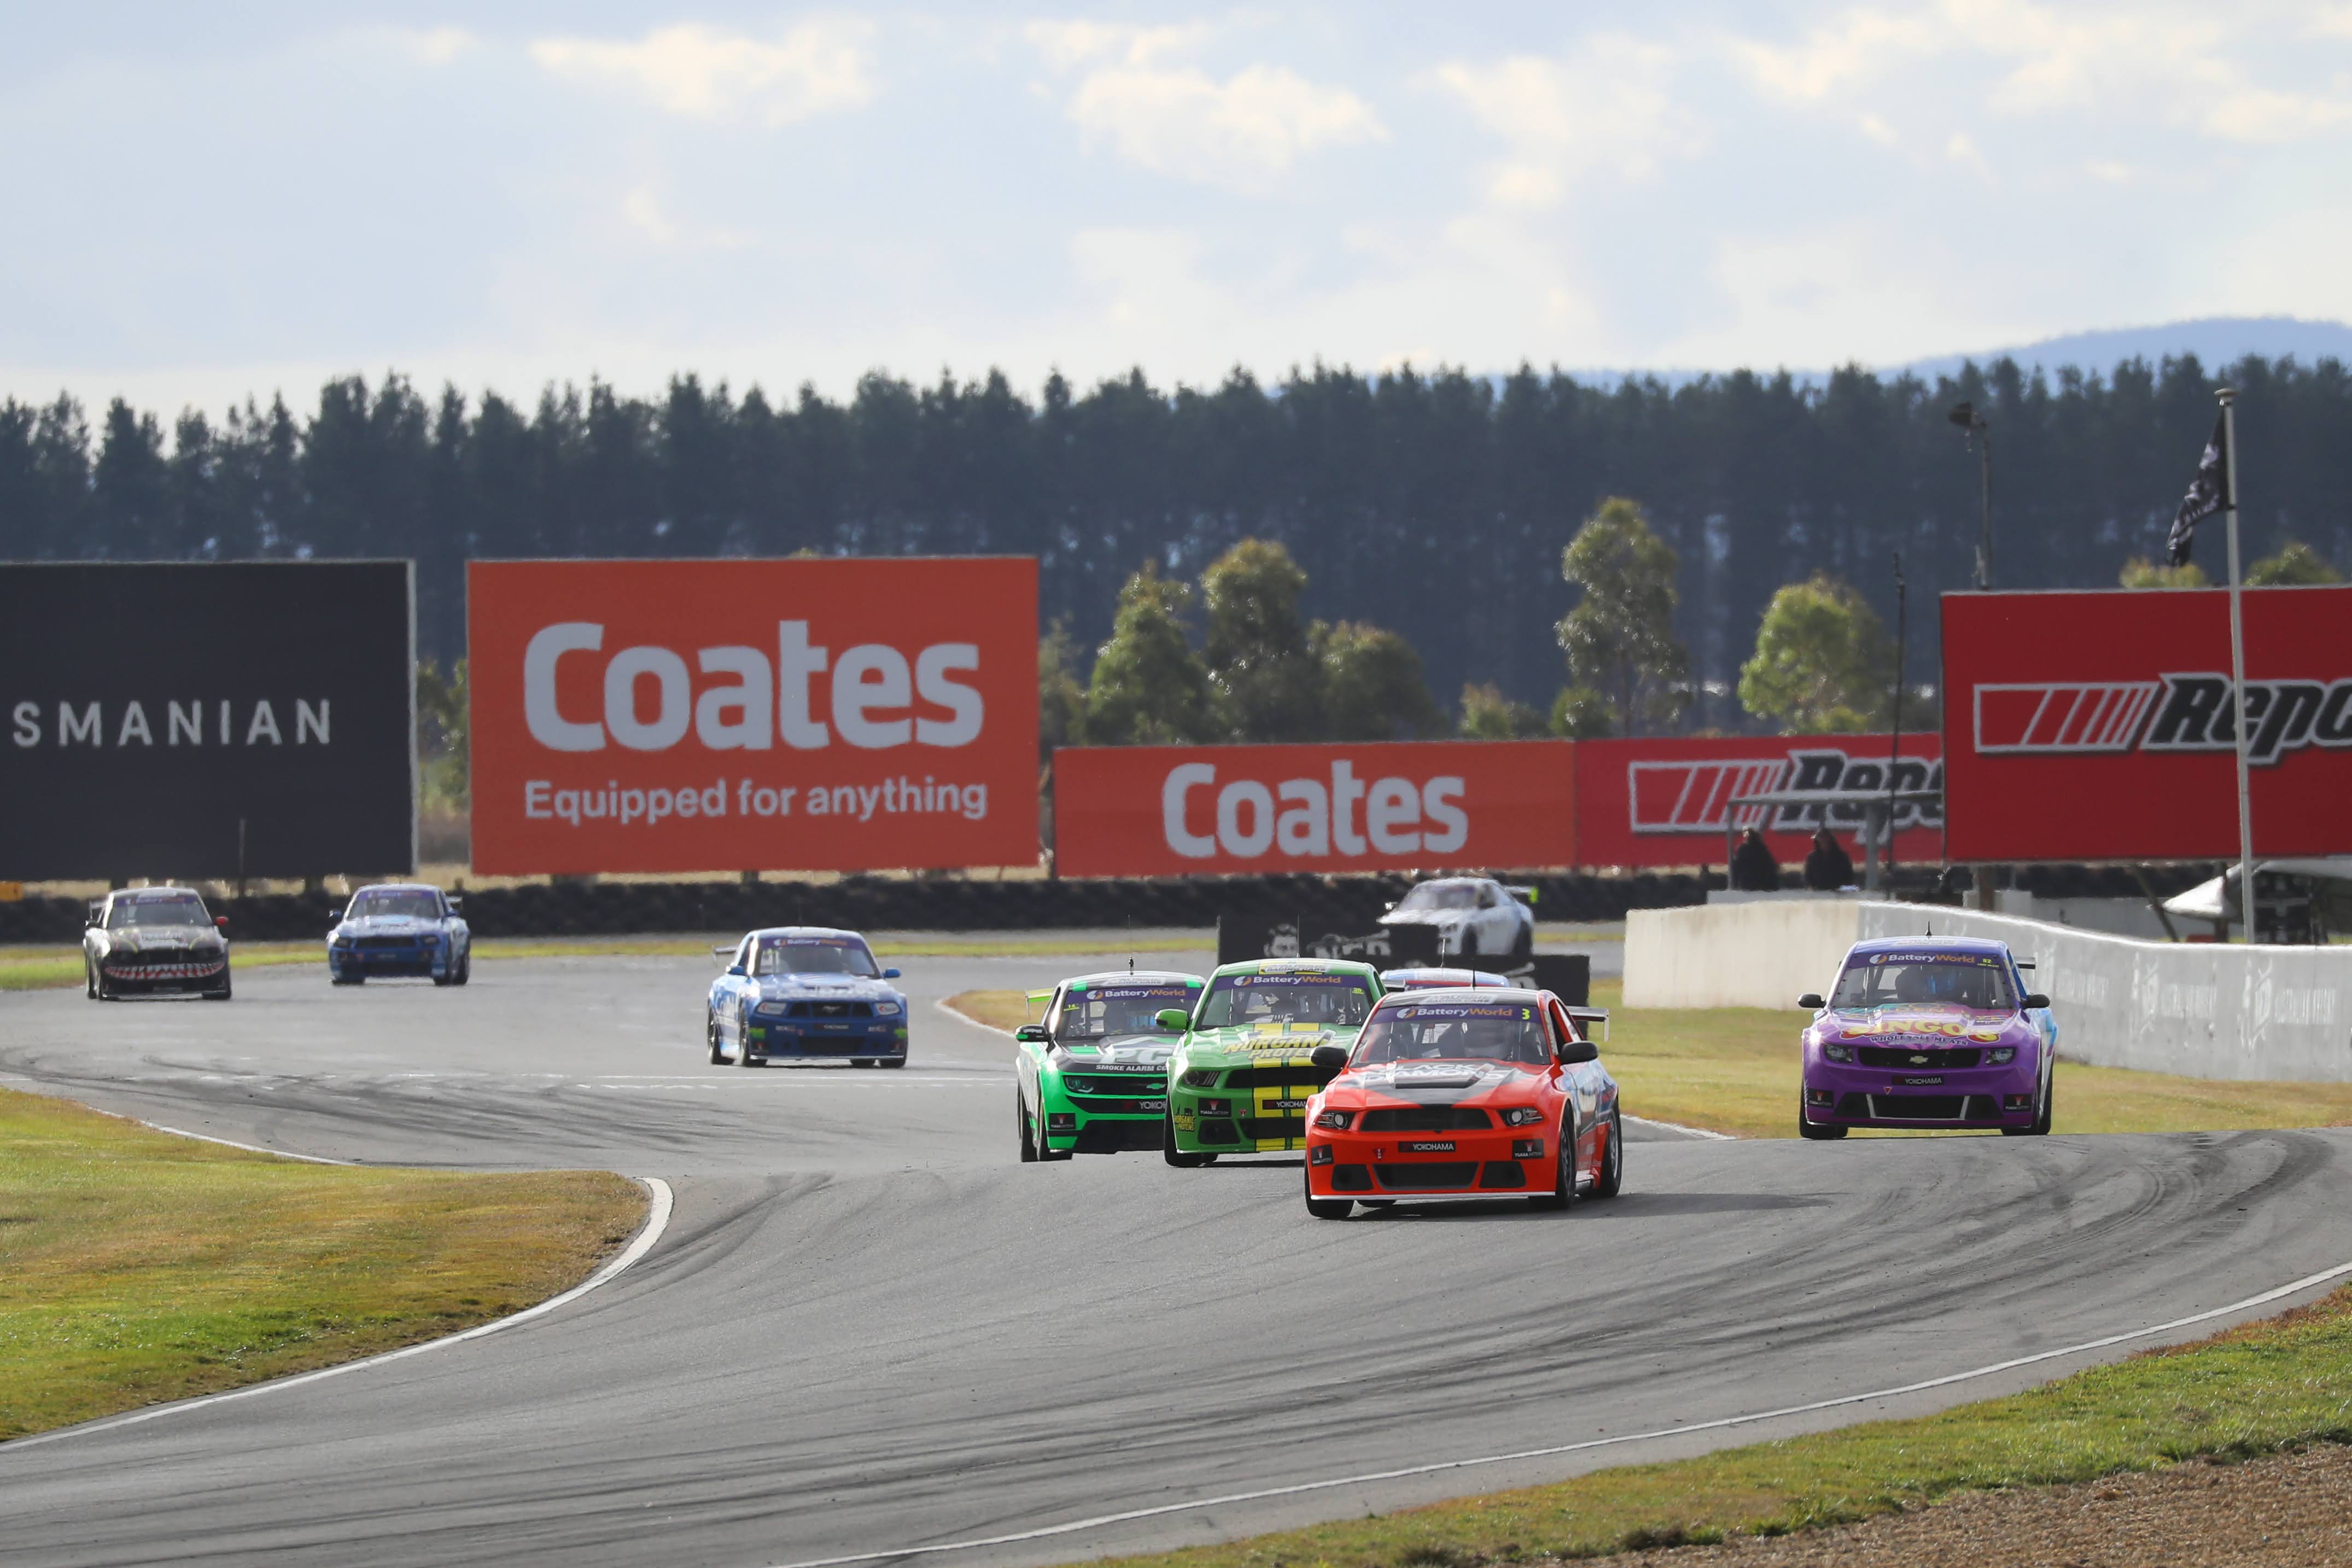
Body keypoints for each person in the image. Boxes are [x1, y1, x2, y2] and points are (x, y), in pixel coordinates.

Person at [1804, 827, 1854, 891]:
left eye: (1826, 838)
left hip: (1838, 892)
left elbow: (1849, 876)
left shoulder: (1842, 856)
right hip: (1818, 892)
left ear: (1831, 840)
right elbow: (1808, 877)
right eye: (1821, 838)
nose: (1824, 841)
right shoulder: (1812, 858)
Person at [1730, 827, 1781, 891]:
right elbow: (1773, 867)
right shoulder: (1762, 849)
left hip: (1749, 885)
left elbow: (1736, 868)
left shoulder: (1743, 849)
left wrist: (1735, 884)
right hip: (1764, 885)